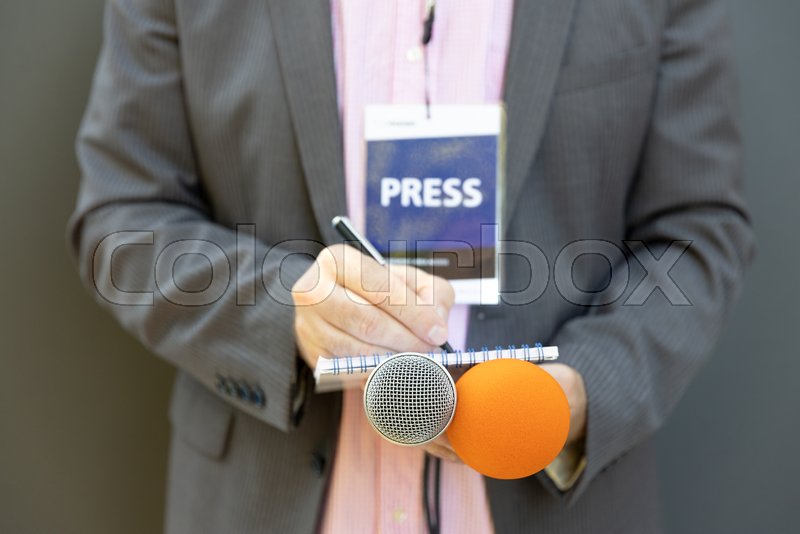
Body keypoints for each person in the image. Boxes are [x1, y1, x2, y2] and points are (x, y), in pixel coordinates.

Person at [68, 0, 754, 532]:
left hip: (554, 504)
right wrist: (284, 311)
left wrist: (580, 393)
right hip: (261, 499)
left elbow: (696, 230)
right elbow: (120, 222)